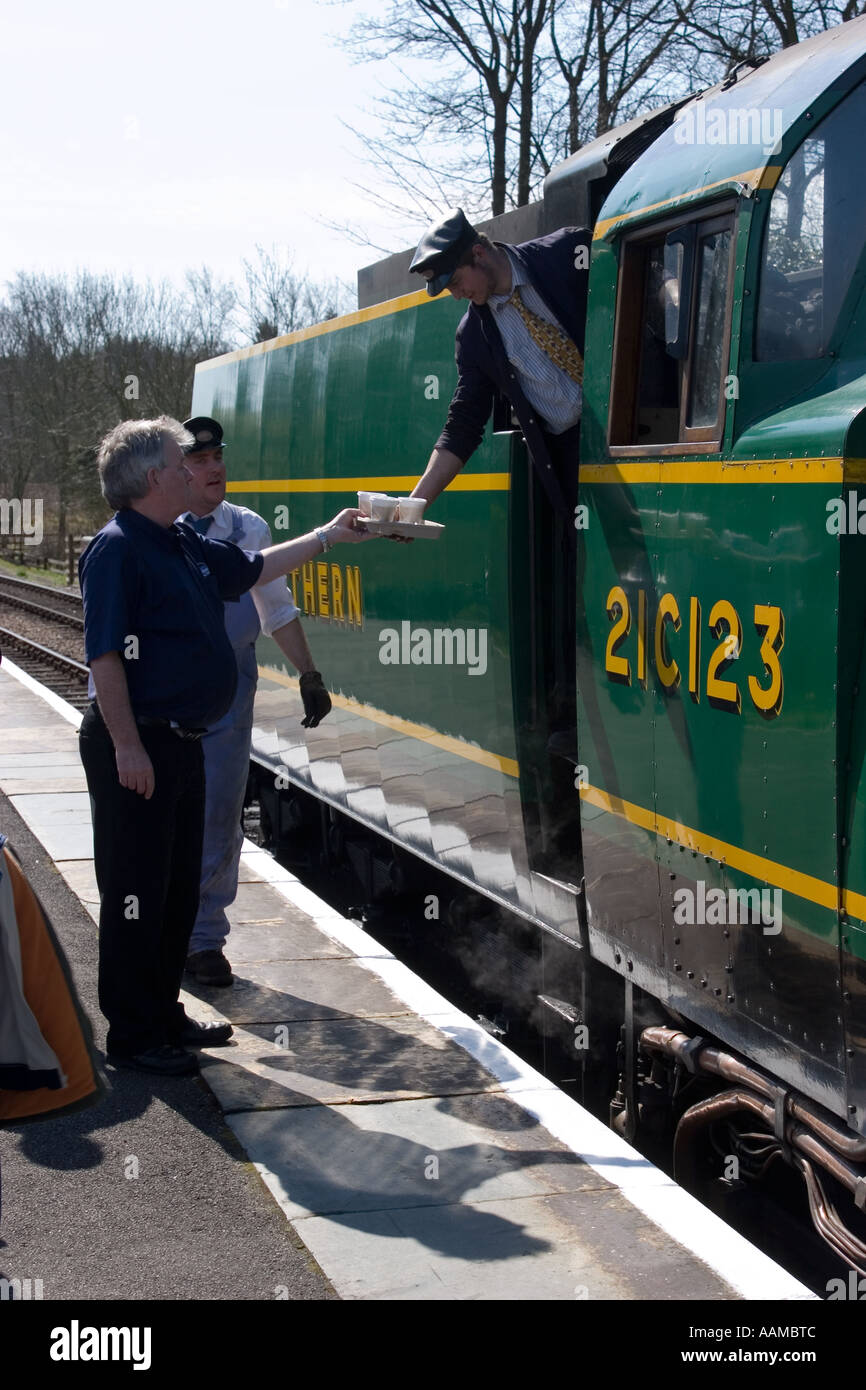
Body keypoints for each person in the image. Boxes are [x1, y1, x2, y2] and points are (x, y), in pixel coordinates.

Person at [78, 416, 367, 1077]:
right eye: (182, 463)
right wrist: (127, 746)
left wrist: (329, 536)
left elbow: (255, 570)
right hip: (140, 743)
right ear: (154, 478)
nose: (192, 472)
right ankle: (133, 1033)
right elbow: (104, 658)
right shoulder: (118, 549)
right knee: (136, 891)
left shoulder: (180, 538)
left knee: (179, 886)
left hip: (183, 741)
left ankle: (164, 1011)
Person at [179, 416, 329, 989]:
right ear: (176, 471)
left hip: (232, 678)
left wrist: (309, 673)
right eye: (200, 460)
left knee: (220, 812)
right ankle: (163, 932)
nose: (215, 467)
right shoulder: (158, 527)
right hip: (170, 679)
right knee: (169, 812)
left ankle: (204, 941)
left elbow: (275, 608)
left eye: (219, 456)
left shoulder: (246, 528)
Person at [407, 206, 591, 515]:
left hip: (634, 434)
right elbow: (463, 424)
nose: (456, 295)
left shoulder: (568, 251)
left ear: (478, 253)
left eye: (455, 282)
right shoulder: (473, 337)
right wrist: (414, 504)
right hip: (572, 461)